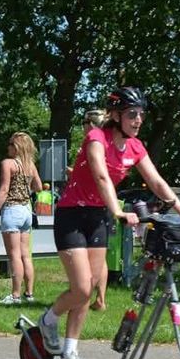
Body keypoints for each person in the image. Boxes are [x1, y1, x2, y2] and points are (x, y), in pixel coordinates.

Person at [38, 86, 180, 359]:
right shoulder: (96, 138)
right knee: (82, 287)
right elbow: (101, 176)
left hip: (98, 216)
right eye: (131, 114)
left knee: (89, 291)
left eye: (141, 115)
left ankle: (69, 355)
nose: (138, 120)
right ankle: (49, 320)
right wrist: (117, 211)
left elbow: (157, 182)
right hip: (72, 215)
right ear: (115, 115)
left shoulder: (136, 147)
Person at [0, 132, 43, 305]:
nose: (8, 147)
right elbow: (39, 187)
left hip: (12, 210)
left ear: (17, 146)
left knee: (14, 256)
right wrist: (26, 190)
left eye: (11, 144)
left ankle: (15, 295)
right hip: (26, 210)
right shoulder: (30, 165)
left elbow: (4, 190)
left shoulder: (8, 164)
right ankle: (29, 293)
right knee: (25, 255)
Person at [82, 109, 110, 312]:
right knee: (101, 256)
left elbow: (96, 176)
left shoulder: (93, 143)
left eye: (84, 122)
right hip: (105, 204)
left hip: (89, 205)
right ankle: (100, 298)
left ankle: (86, 296)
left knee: (89, 256)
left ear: (90, 124)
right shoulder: (109, 145)